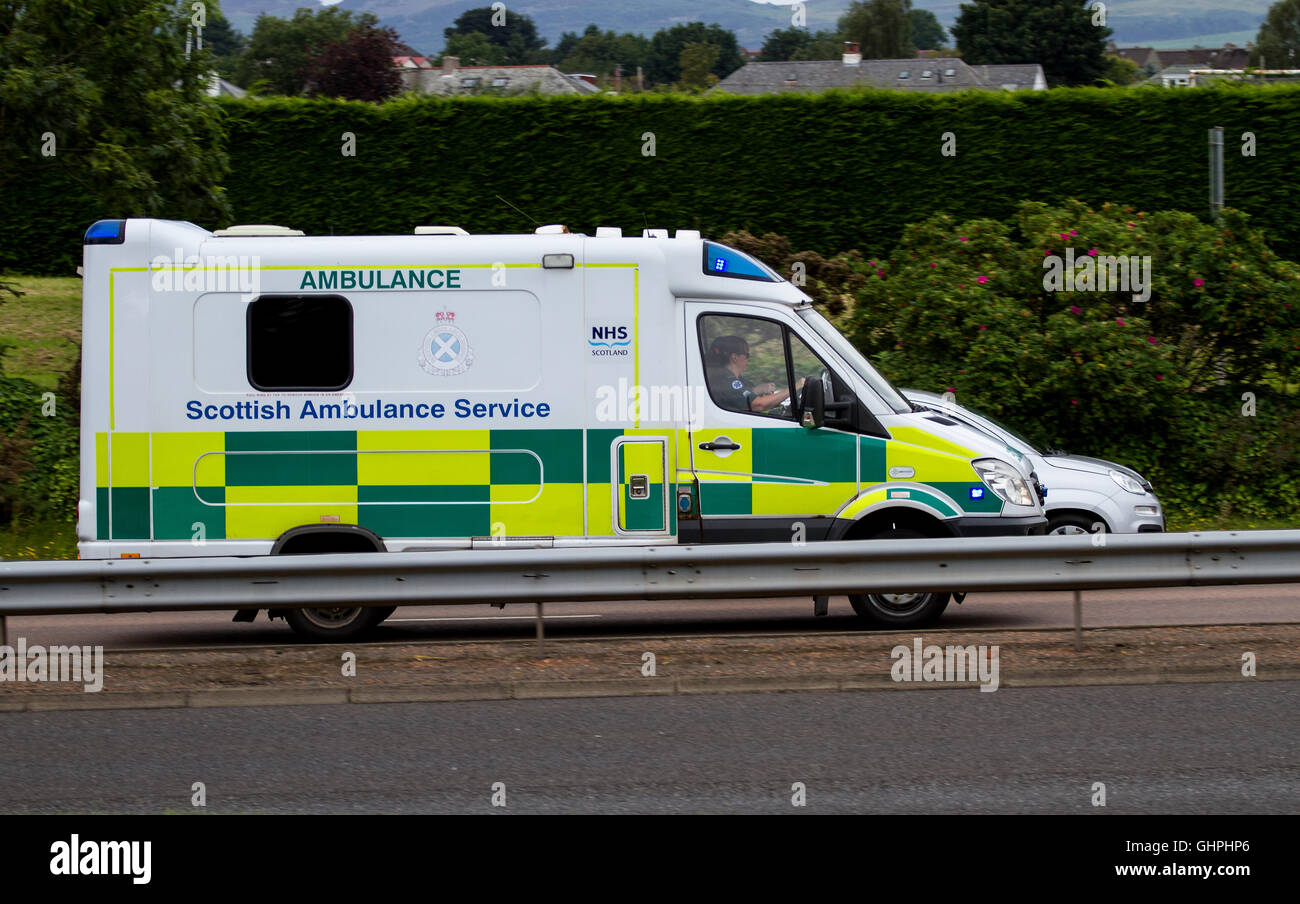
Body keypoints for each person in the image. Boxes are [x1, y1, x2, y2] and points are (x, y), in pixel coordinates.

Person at [704, 335, 804, 414]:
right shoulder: (728, 380)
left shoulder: (737, 379)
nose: (749, 359)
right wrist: (794, 388)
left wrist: (757, 390)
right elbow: (758, 405)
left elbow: (741, 396)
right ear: (734, 357)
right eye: (747, 355)